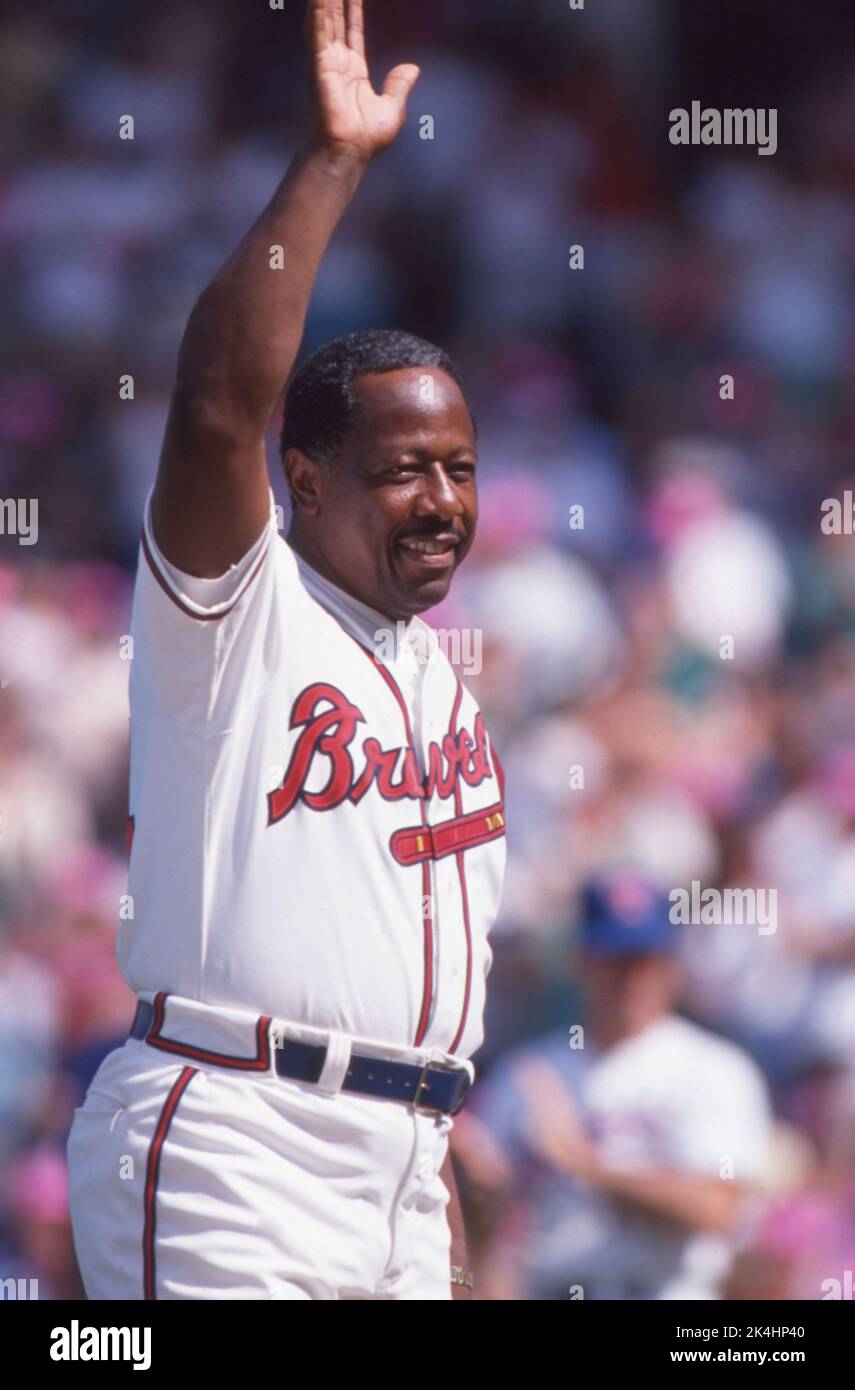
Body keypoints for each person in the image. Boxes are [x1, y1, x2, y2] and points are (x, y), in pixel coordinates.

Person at [66, 0, 507, 1301]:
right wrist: (330, 166)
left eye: (459, 467)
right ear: (304, 482)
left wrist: (427, 1184)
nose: (439, 497)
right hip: (231, 1140)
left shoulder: (436, 673)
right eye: (401, 470)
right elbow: (211, 411)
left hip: (400, 1165)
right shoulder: (234, 609)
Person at [457, 872, 771, 1300]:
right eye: (614, 959)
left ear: (670, 965)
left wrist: (587, 1164)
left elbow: (719, 1208)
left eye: (643, 959)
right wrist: (472, 1179)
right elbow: (488, 1227)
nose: (630, 978)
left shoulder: (713, 1068)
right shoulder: (530, 1070)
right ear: (582, 961)